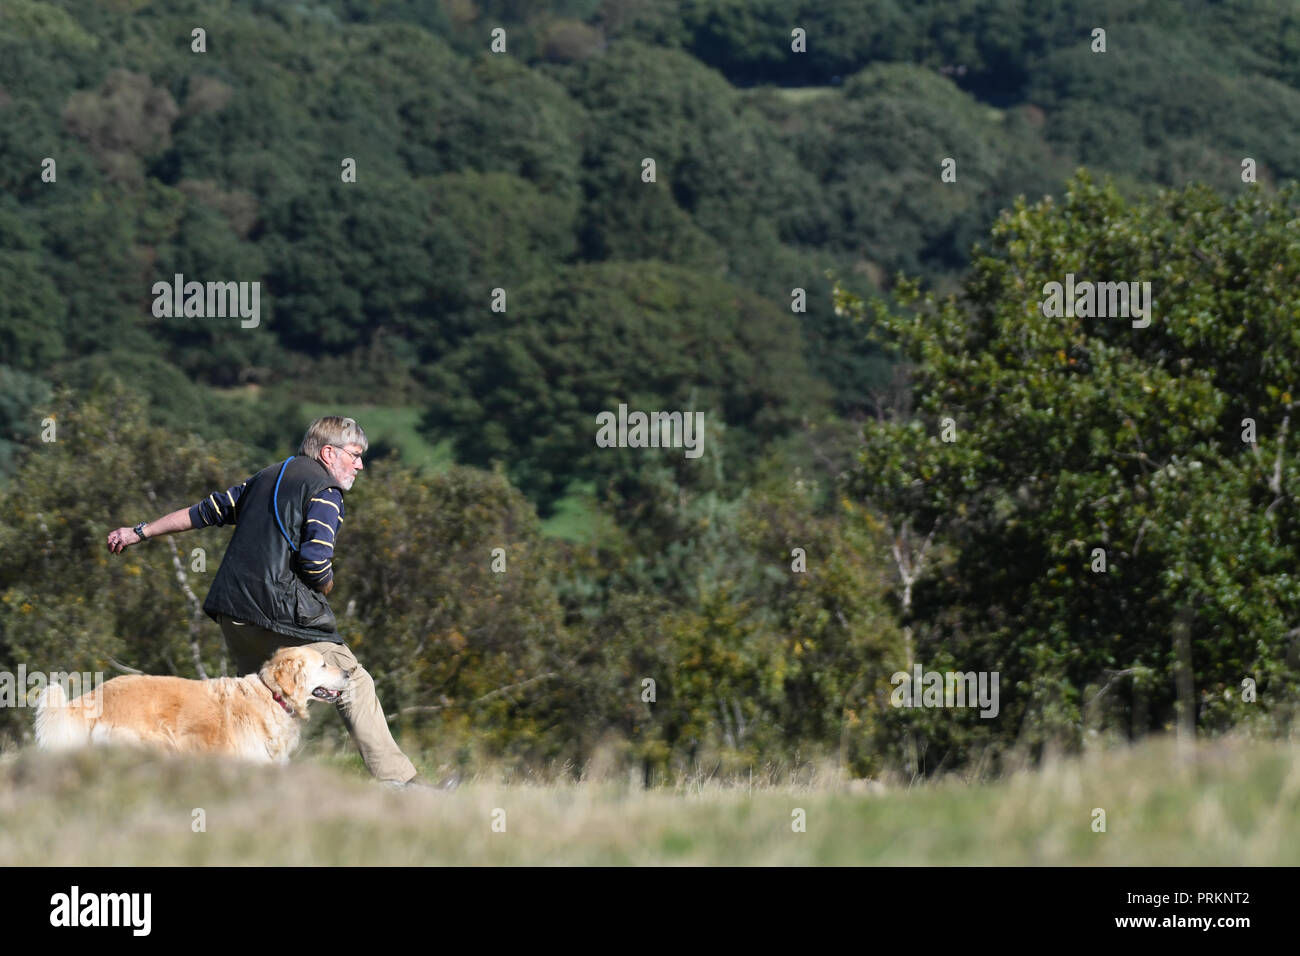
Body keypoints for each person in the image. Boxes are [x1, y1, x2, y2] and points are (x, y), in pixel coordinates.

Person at [106, 416, 430, 789]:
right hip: (281, 618)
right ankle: (400, 784)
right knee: (352, 681)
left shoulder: (265, 476)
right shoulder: (326, 492)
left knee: (259, 701)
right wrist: (326, 584)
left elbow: (201, 513)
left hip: (234, 612)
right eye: (355, 455)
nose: (360, 465)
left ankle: (249, 787)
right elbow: (314, 558)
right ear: (328, 452)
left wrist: (138, 532)